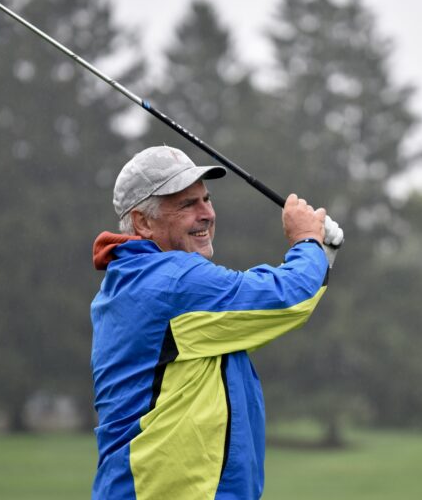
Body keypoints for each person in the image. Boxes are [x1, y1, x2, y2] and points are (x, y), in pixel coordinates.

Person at [90, 145, 343, 500]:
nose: (206, 213)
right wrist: (306, 242)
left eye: (206, 199)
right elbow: (287, 297)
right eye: (186, 204)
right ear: (143, 222)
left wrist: (319, 256)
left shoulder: (137, 279)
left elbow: (267, 314)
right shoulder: (170, 282)